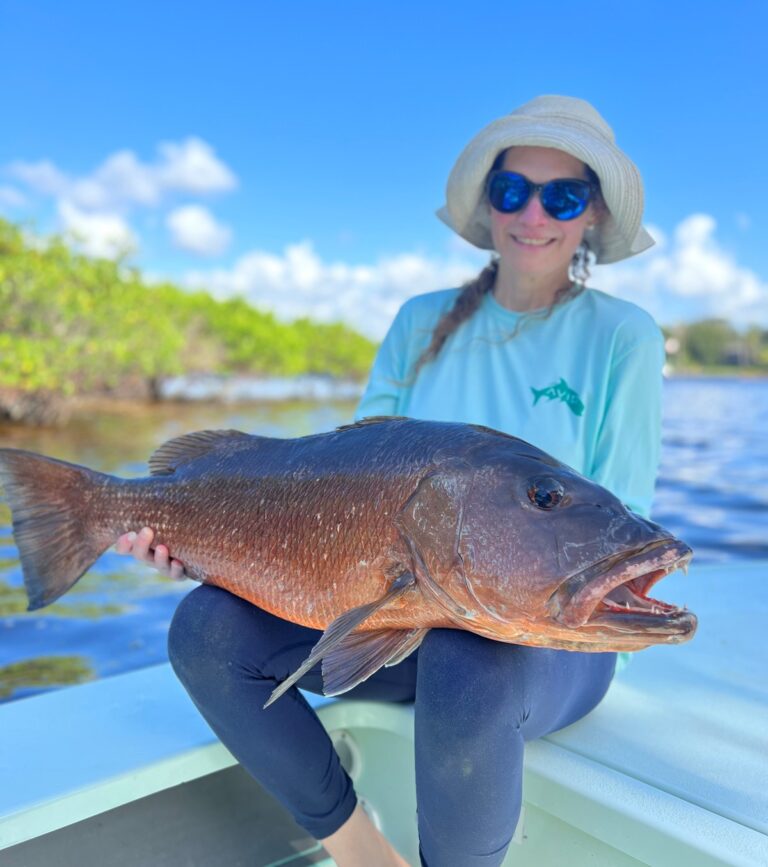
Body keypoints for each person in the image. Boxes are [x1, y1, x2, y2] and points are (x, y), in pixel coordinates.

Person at [117, 95, 665, 867]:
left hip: (552, 641)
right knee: (205, 629)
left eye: (562, 194)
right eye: (512, 190)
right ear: (488, 202)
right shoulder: (419, 321)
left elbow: (627, 514)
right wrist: (208, 540)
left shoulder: (624, 337)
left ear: (592, 214)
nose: (532, 213)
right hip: (395, 610)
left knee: (467, 660)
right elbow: (335, 476)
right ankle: (363, 852)